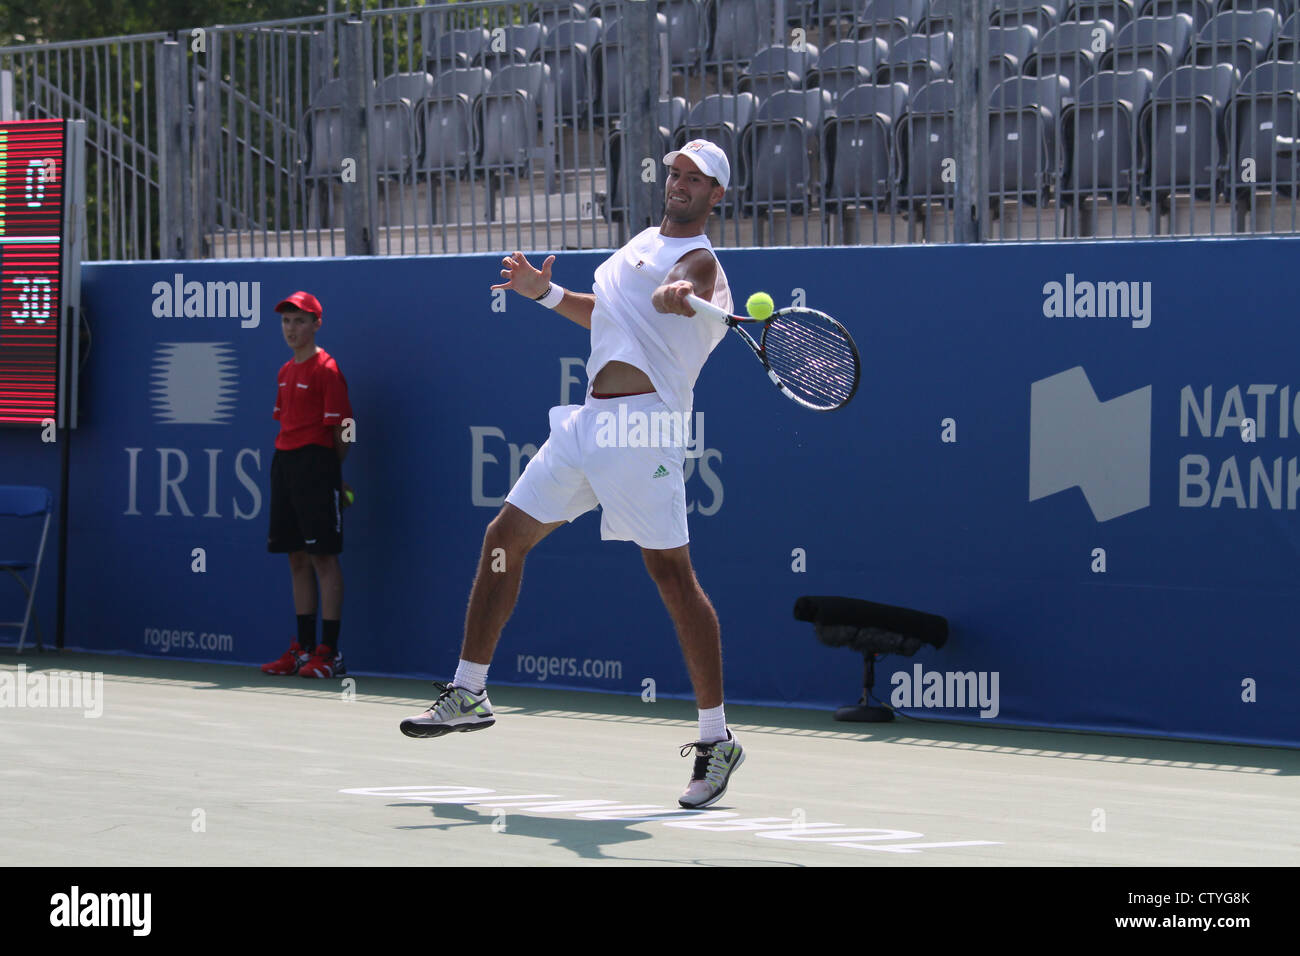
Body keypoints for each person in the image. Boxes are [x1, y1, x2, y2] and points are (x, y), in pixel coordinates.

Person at [400, 140, 744, 809]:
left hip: (644, 429)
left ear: (715, 196)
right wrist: (544, 292)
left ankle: (716, 739)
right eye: (673, 172)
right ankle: (469, 691)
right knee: (504, 538)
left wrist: (682, 294)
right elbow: (607, 316)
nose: (678, 184)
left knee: (672, 577)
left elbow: (691, 290)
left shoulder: (700, 261)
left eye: (694, 180)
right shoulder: (642, 241)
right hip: (588, 423)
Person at [260, 291, 353, 679]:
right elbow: (286, 423)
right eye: (286, 321)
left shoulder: (327, 370)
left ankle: (328, 653)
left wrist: (329, 472)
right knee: (296, 557)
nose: (291, 328)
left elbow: (345, 430)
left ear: (316, 324)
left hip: (318, 466)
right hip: (285, 463)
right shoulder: (285, 372)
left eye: (299, 321)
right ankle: (302, 650)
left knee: (324, 560)